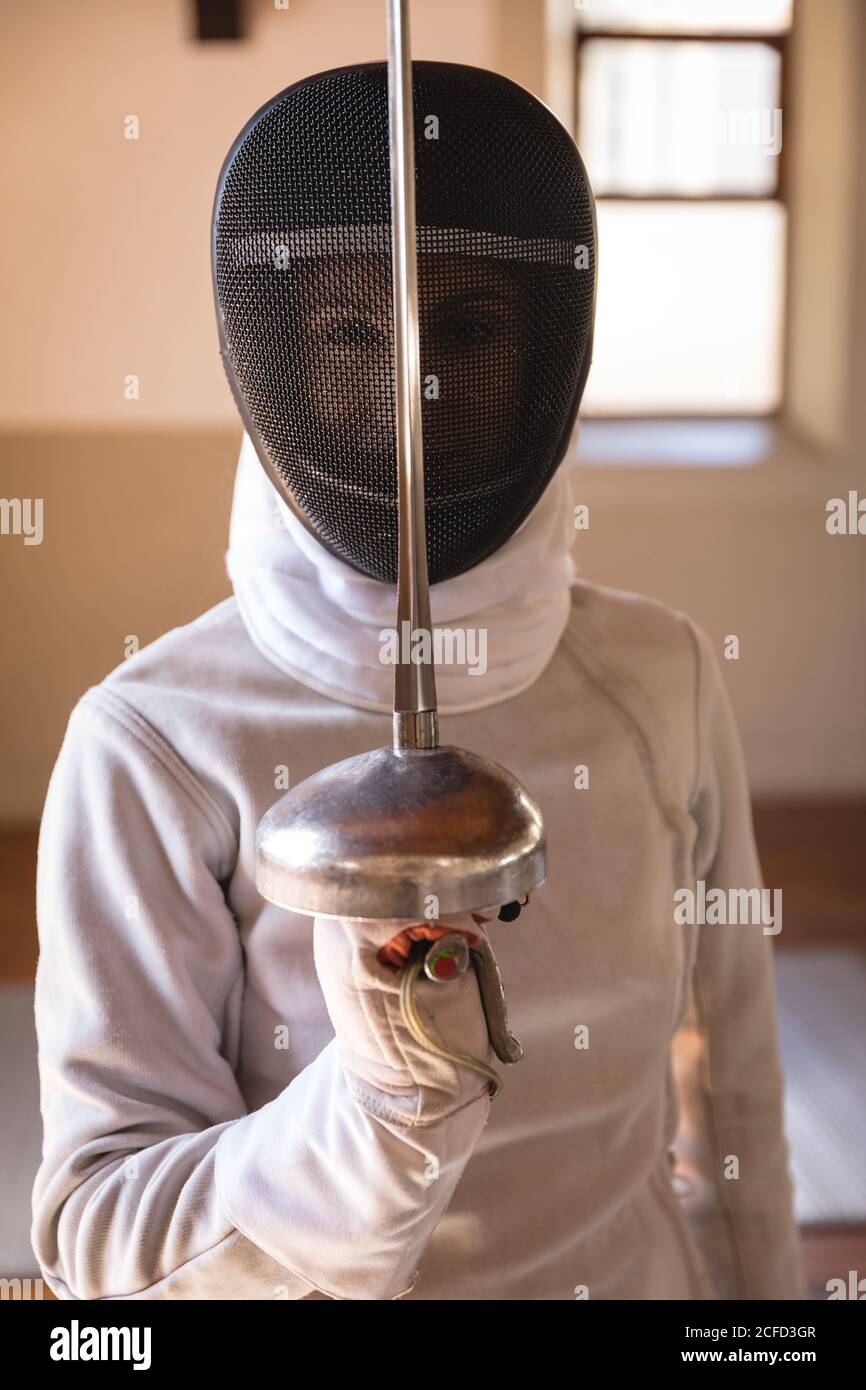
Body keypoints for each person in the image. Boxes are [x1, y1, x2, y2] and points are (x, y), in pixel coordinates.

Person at [31, 58, 807, 1302]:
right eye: (349, 332)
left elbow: (735, 1077)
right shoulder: (151, 739)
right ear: (270, 355)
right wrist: (376, 1106)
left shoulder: (657, 672)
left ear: (545, 352)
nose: (415, 384)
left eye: (470, 330)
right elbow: (106, 1244)